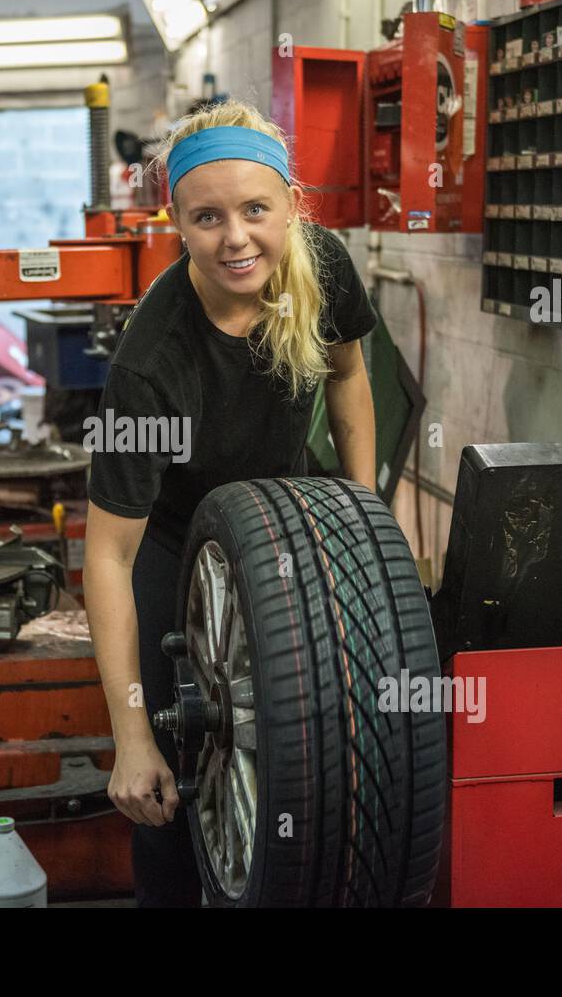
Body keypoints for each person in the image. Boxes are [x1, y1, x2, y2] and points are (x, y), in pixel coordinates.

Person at [82, 98, 379, 907]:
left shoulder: (322, 265)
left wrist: (365, 519)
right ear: (175, 221)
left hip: (291, 510)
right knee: (173, 786)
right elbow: (106, 557)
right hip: (175, 549)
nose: (236, 238)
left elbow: (350, 378)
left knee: (311, 748)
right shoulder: (151, 366)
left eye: (256, 210)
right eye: (207, 217)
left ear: (291, 205)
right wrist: (132, 736)